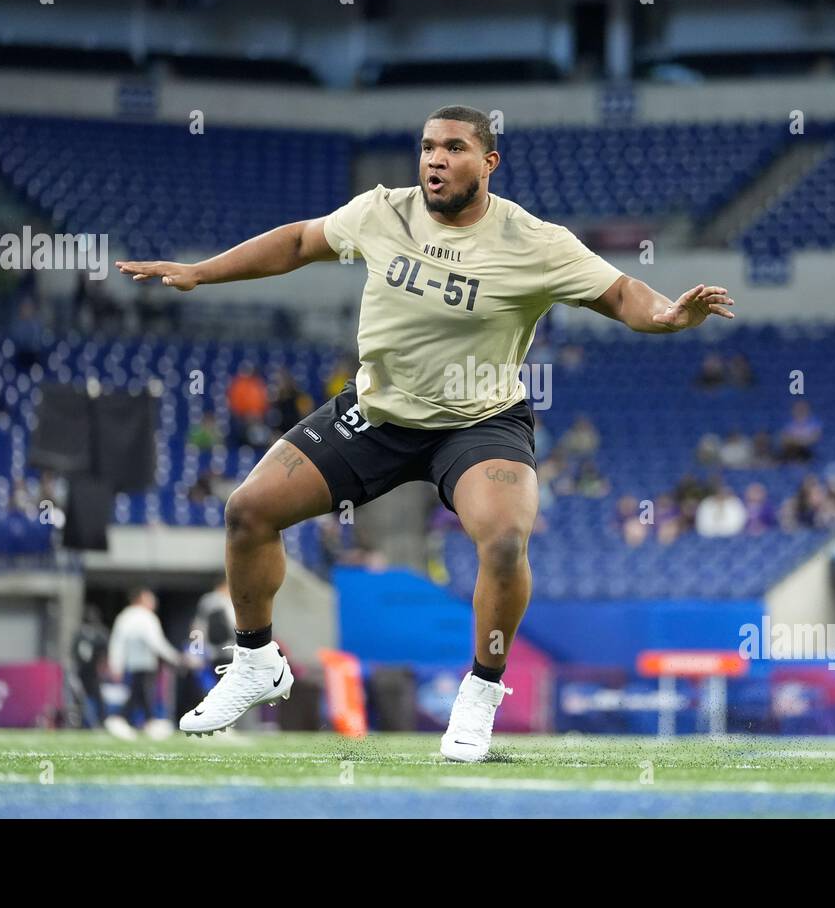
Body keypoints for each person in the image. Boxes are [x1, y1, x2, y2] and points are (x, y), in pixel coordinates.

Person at [117, 104, 736, 761]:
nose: (435, 160)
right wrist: (201, 271)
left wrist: (666, 313)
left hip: (478, 423)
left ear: (488, 163)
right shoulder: (384, 212)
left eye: (454, 148)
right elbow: (300, 242)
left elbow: (617, 294)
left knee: (503, 541)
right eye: (427, 147)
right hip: (378, 413)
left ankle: (481, 692)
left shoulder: (533, 241)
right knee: (248, 511)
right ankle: (256, 662)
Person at [107, 588, 185, 735]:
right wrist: (175, 657)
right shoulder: (146, 617)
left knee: (140, 693)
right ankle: (128, 719)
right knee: (142, 692)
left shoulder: (124, 617)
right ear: (140, 599)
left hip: (131, 663)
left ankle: (145, 720)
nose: (153, 602)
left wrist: (115, 664)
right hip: (145, 663)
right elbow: (156, 642)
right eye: (149, 599)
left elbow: (116, 643)